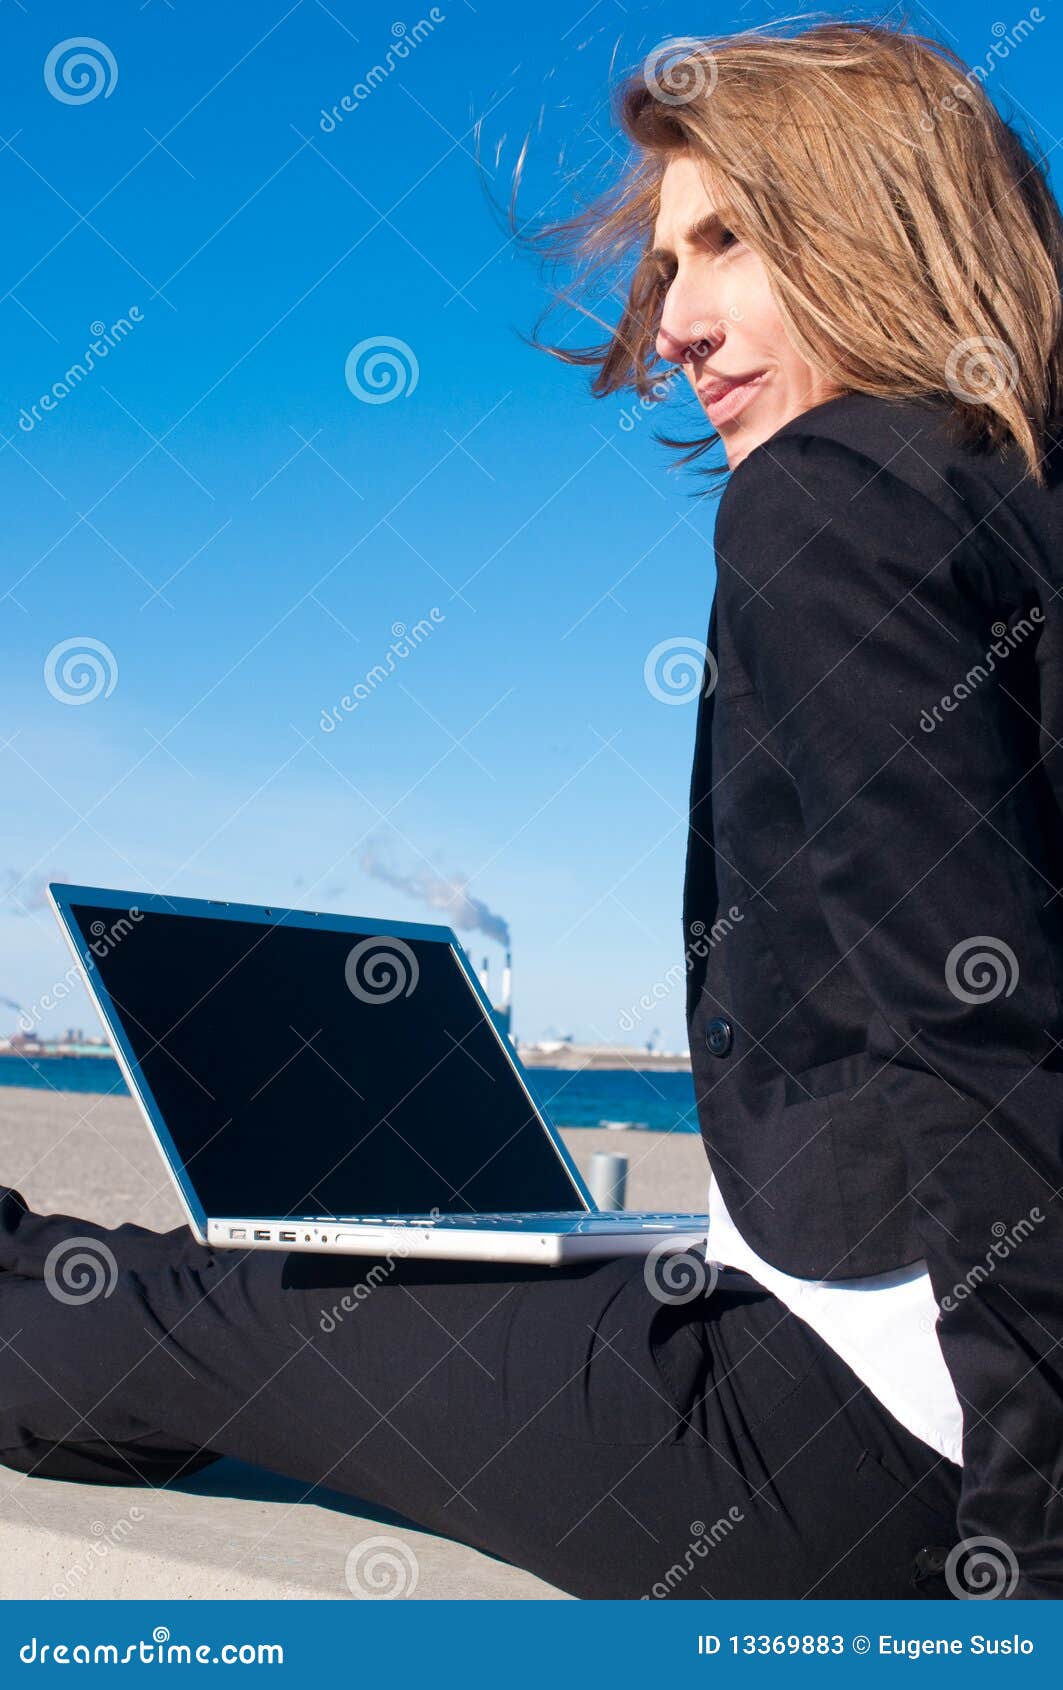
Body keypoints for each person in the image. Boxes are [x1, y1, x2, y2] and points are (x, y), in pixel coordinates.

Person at [1, 19, 1060, 1600]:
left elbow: (986, 1038)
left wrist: (1032, 1569)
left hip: (870, 1448)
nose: (675, 322)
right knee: (269, 1275)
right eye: (667, 264)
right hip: (895, 1360)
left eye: (729, 241)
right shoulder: (1016, 505)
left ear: (882, 220)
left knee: (210, 1309)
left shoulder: (830, 493)